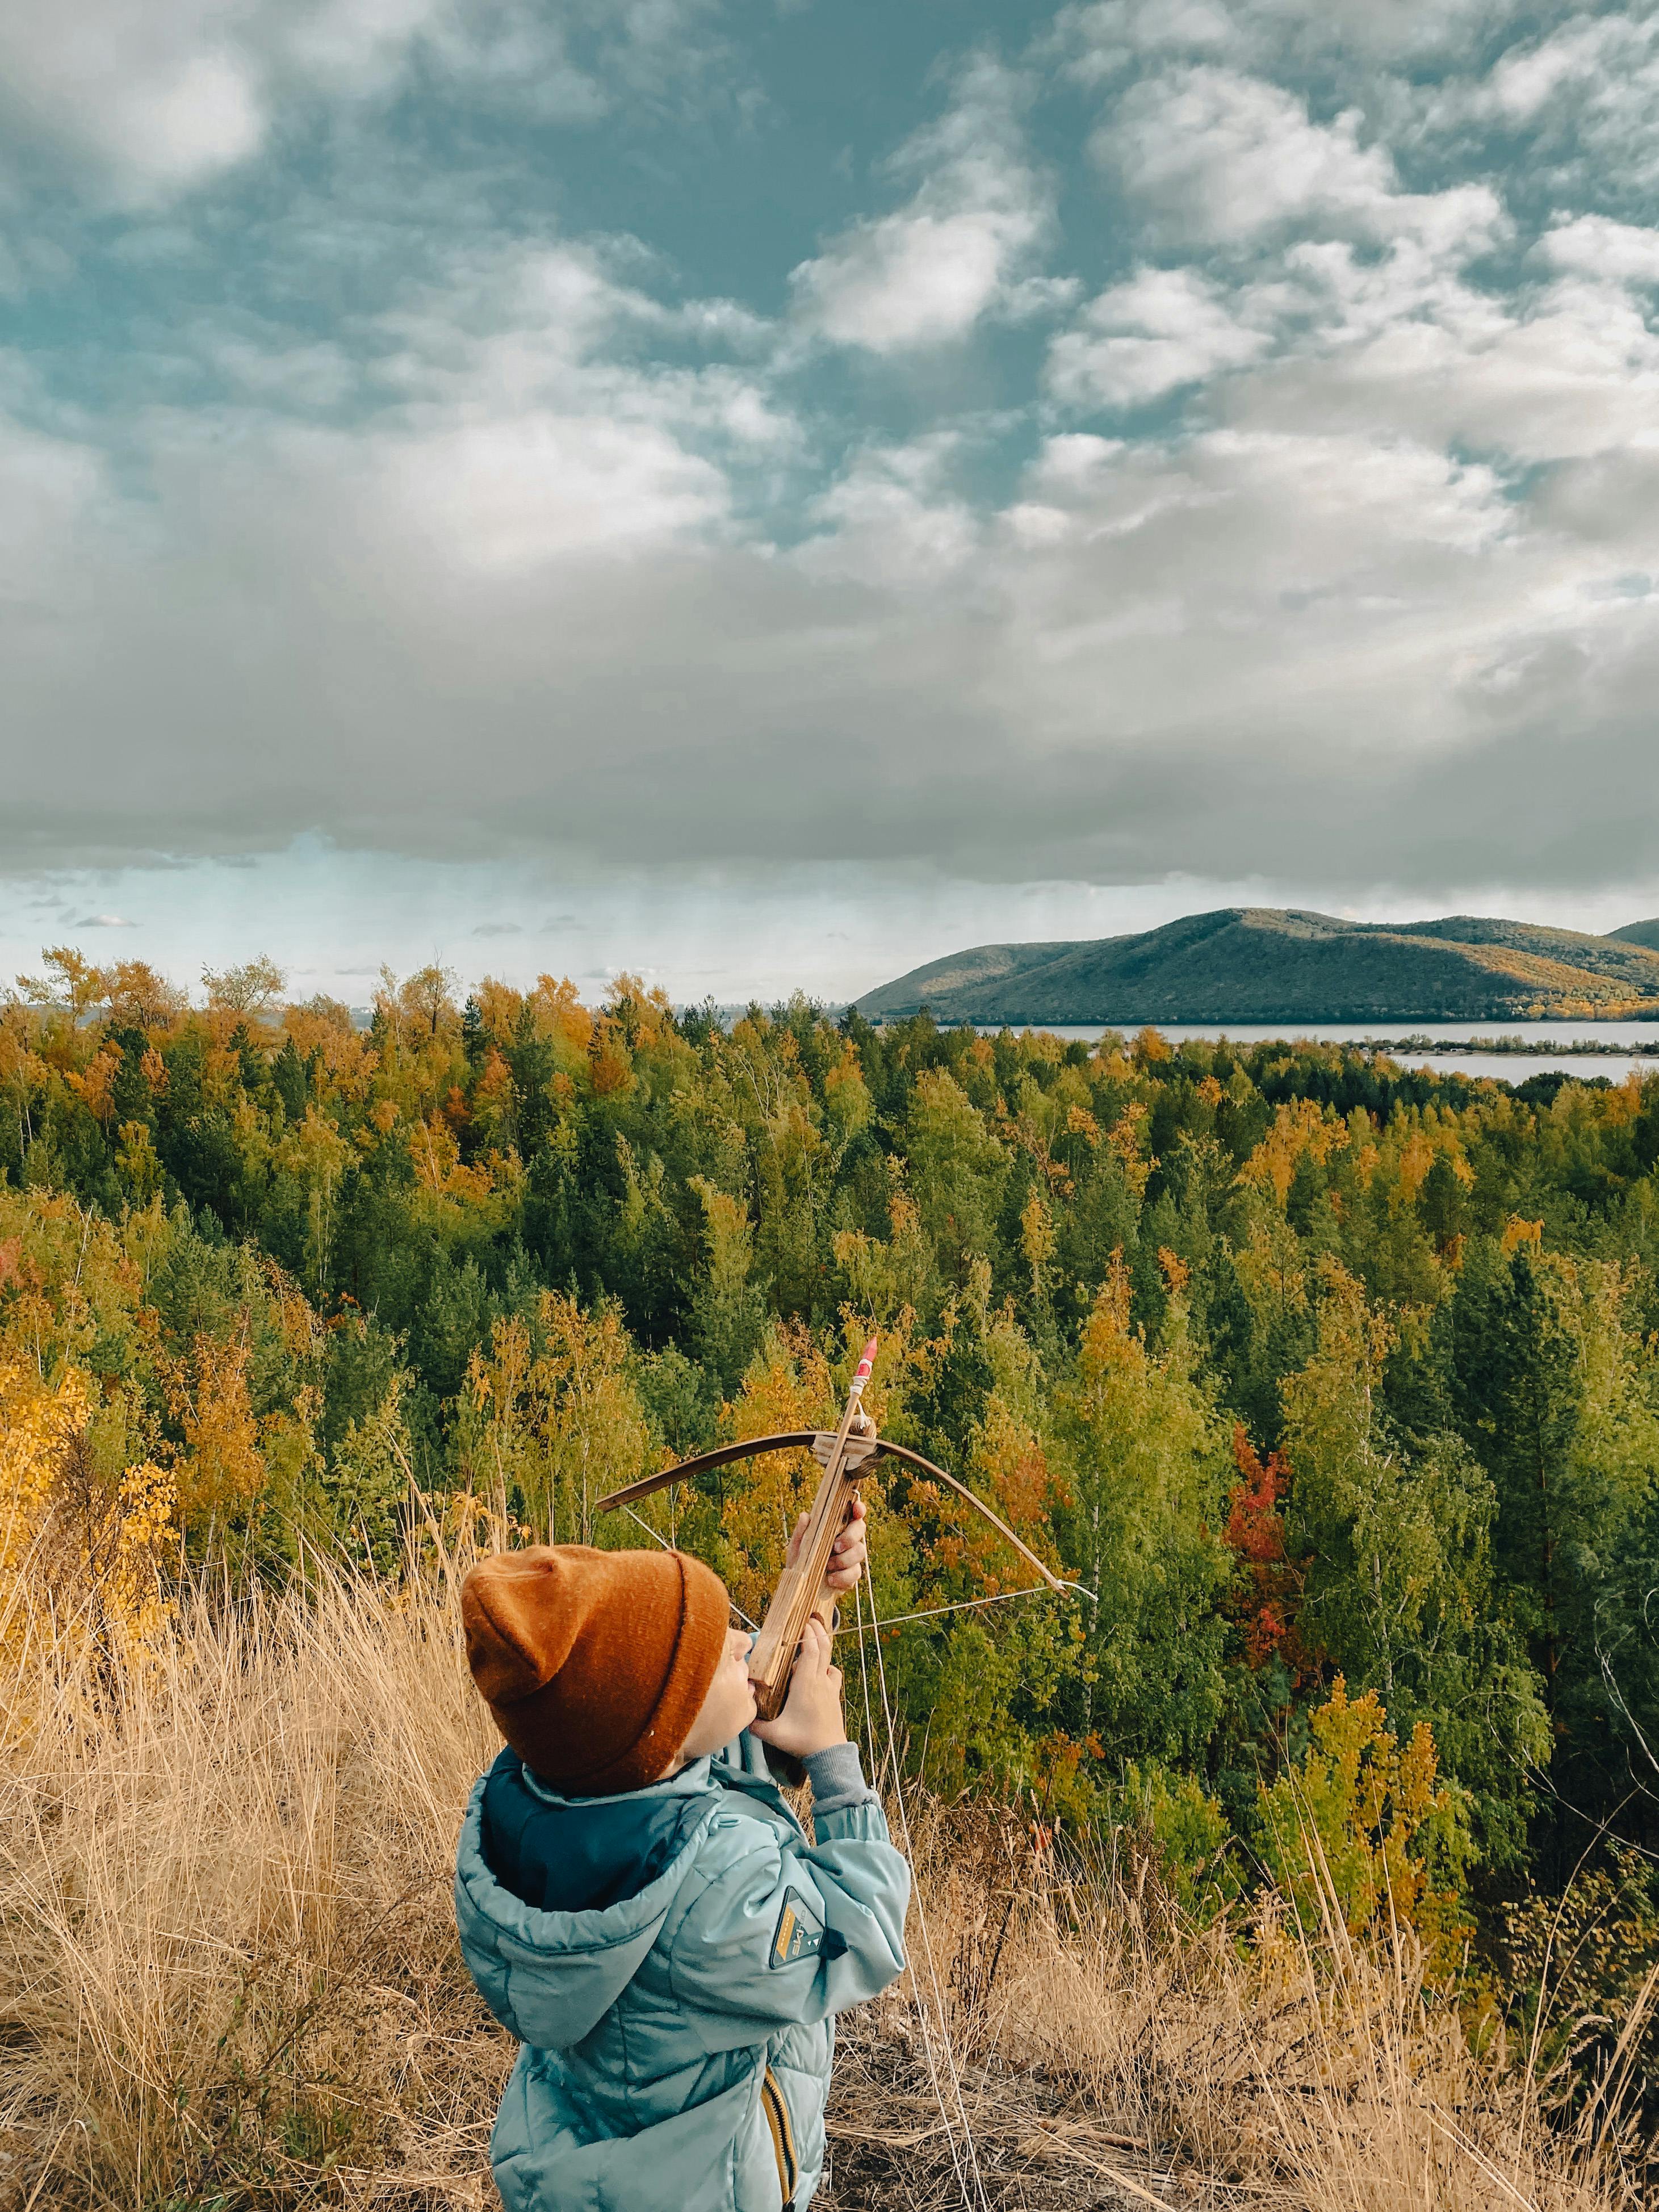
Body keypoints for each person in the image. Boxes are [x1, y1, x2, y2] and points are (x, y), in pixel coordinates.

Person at [454, 1501, 909, 2212]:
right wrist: (831, 1757)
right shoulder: (716, 1887)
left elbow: (712, 1737)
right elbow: (865, 1930)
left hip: (593, 2173)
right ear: (660, 1732)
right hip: (712, 2190)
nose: (740, 1644)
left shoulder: (569, 1789)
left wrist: (809, 1586)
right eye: (709, 1652)